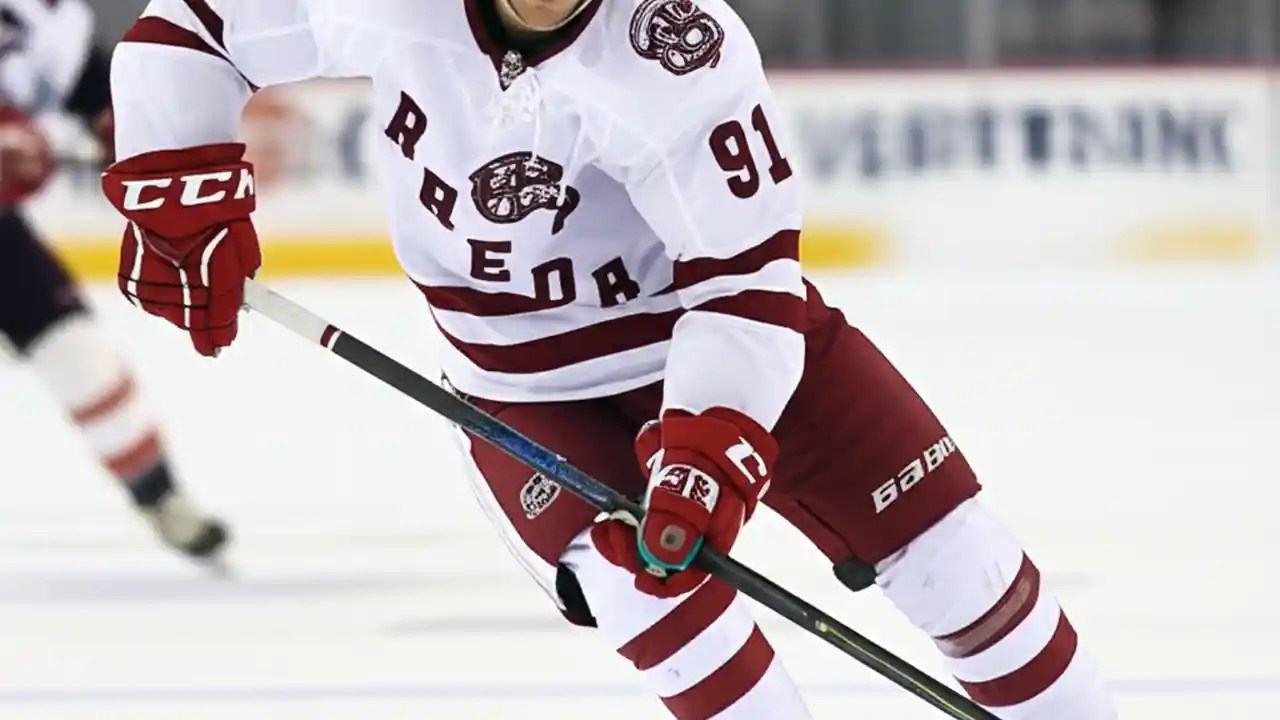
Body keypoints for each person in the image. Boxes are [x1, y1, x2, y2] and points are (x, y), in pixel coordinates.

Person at [102, 0, 1118, 716]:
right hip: (525, 391)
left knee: (961, 565)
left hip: (725, 341)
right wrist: (174, 176)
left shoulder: (681, 46)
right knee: (661, 605)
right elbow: (189, 28)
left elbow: (746, 281)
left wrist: (708, 447)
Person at [0, 0, 227, 561]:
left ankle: (160, 495)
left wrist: (132, 141)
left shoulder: (57, 18)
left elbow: (102, 100)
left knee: (76, 350)